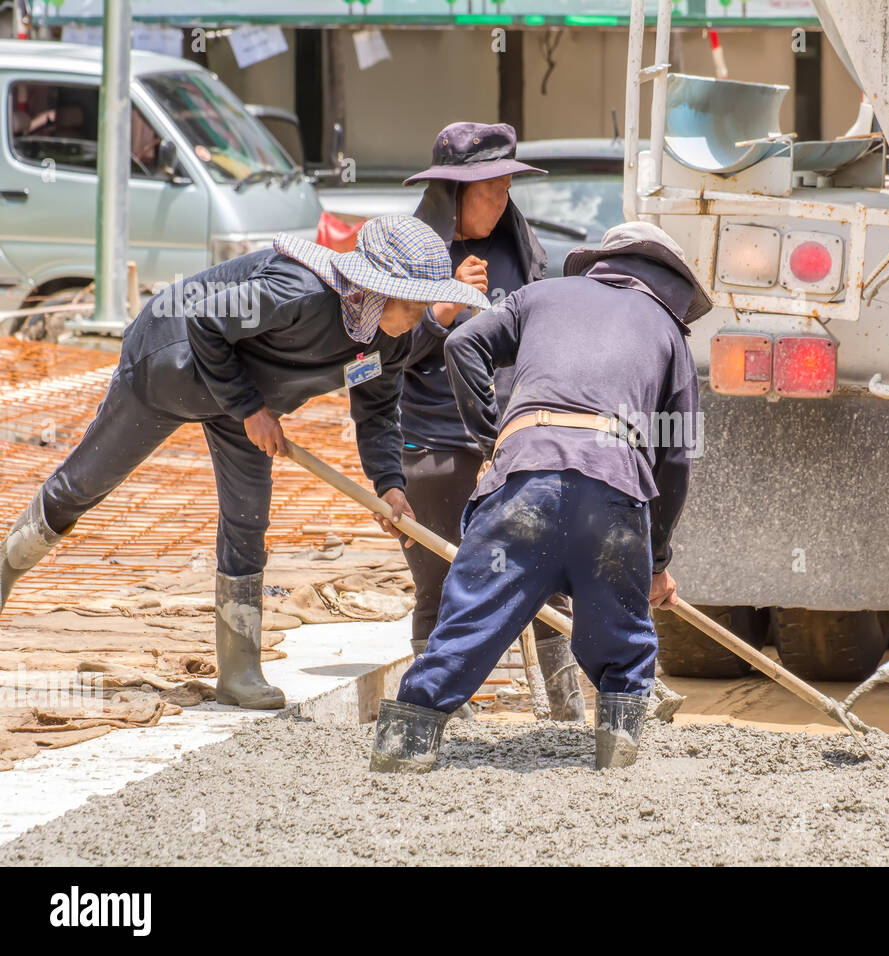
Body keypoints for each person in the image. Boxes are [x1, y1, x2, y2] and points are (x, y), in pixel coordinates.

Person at [0, 216, 488, 709]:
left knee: (248, 517)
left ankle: (238, 671)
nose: (418, 314)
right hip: (173, 370)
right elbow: (206, 321)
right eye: (411, 301)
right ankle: (5, 568)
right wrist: (251, 410)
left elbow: (379, 411)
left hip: (246, 402)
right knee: (85, 485)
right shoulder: (297, 292)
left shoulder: (391, 340)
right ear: (373, 286)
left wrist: (389, 485)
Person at [369, 221, 711, 773]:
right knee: (621, 638)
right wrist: (656, 562)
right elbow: (676, 460)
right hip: (613, 491)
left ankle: (401, 746)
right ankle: (617, 757)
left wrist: (496, 438)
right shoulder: (669, 334)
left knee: (470, 621)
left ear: (602, 262)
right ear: (669, 286)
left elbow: (462, 342)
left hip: (522, 484)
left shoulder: (540, 294)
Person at [398, 122, 585, 721]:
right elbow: (369, 362)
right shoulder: (405, 257)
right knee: (444, 577)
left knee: (546, 572)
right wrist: (439, 313)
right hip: (432, 442)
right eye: (487, 190)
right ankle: (440, 712)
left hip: (510, 438)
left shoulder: (516, 250)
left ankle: (564, 707)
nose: (500, 199)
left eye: (506, 187)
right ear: (452, 192)